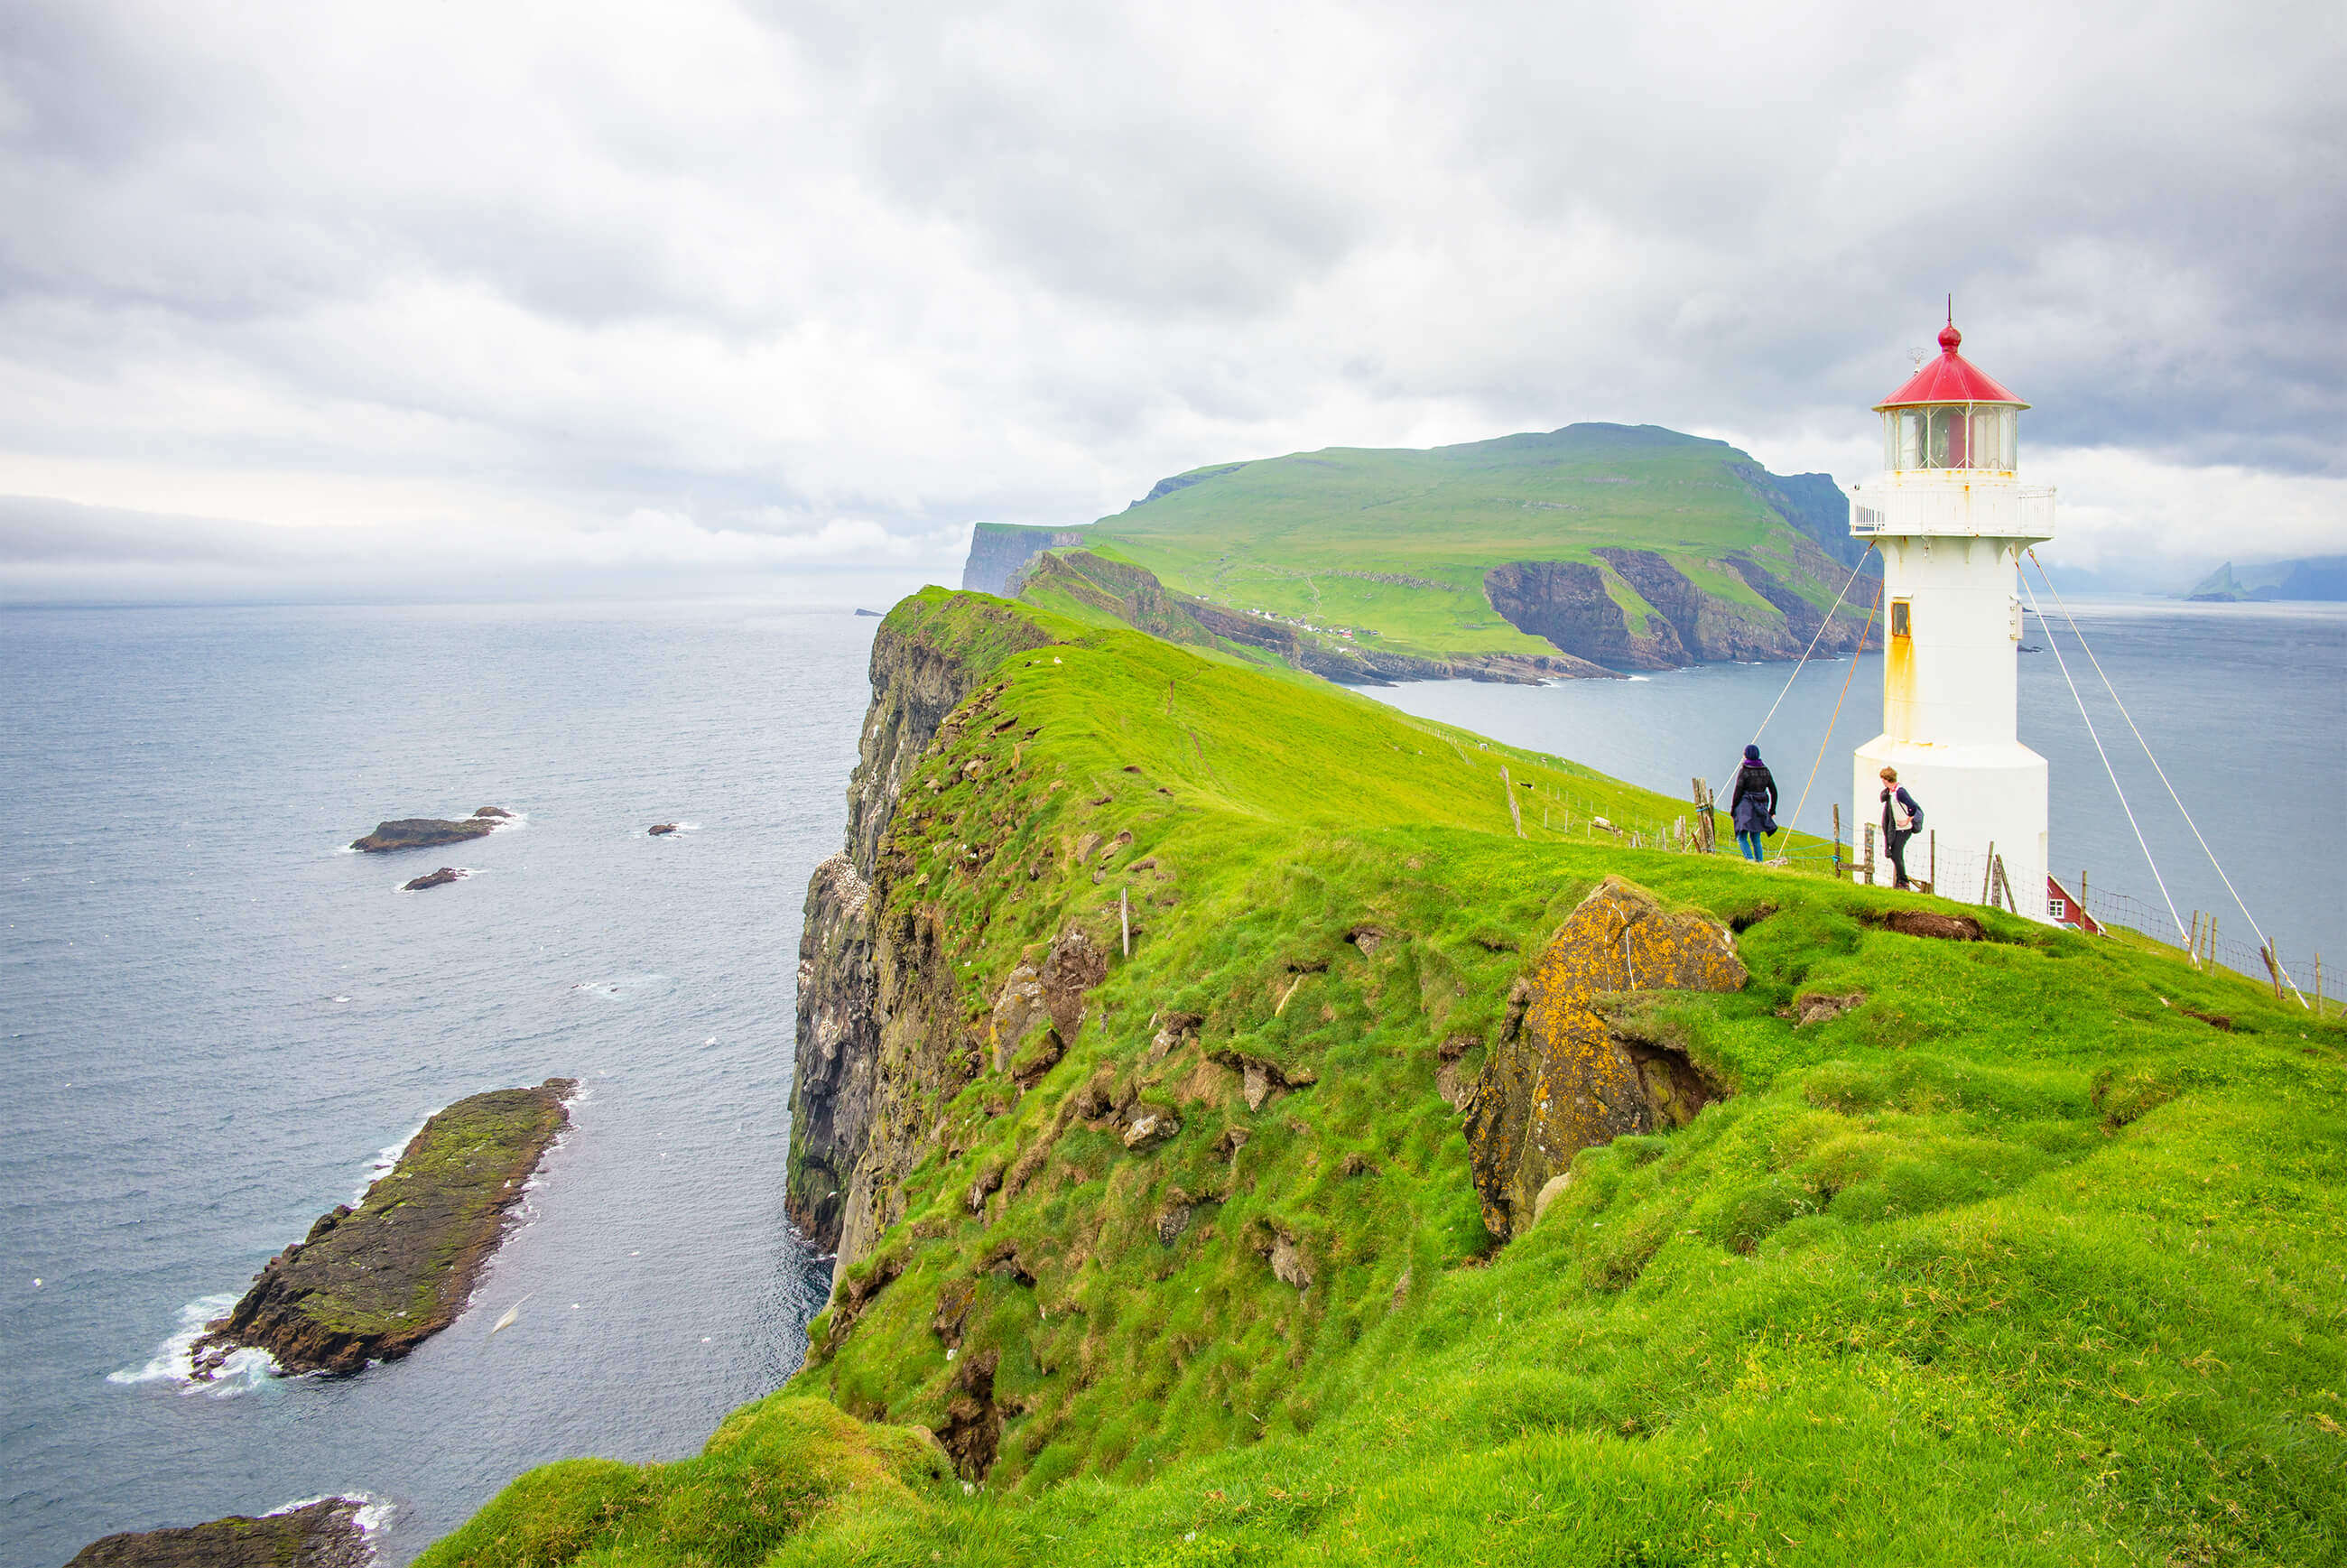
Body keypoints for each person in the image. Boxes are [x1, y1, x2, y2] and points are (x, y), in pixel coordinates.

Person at [1729, 744, 1776, 862]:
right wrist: (1772, 810)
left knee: (1741, 835)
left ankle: (1749, 859)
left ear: (1746, 755)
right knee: (1756, 836)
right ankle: (1759, 862)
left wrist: (1733, 808)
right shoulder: (1765, 771)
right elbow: (1774, 791)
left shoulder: (1744, 771)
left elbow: (1738, 791)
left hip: (1746, 806)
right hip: (1761, 805)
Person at [1879, 765, 1923, 888]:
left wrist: (1907, 819)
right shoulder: (1891, 791)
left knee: (1896, 853)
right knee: (1895, 854)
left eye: (1882, 779)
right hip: (1897, 829)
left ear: (1886, 779)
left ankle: (1903, 882)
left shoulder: (1900, 791)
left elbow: (1912, 806)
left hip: (1904, 829)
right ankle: (1900, 881)